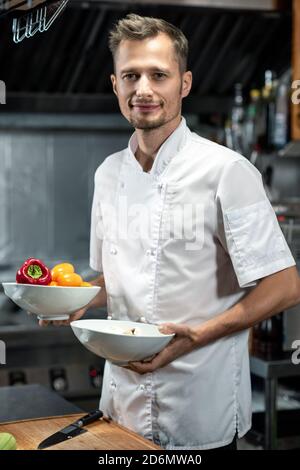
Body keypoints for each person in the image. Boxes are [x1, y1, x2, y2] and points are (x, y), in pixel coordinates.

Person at [40, 14, 300, 450]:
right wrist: (69, 299)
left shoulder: (227, 171)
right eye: (130, 75)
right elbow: (115, 279)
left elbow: (285, 285)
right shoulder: (108, 175)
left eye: (158, 75)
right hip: (119, 414)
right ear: (115, 85)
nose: (143, 89)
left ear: (185, 83)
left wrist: (200, 334)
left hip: (199, 413)